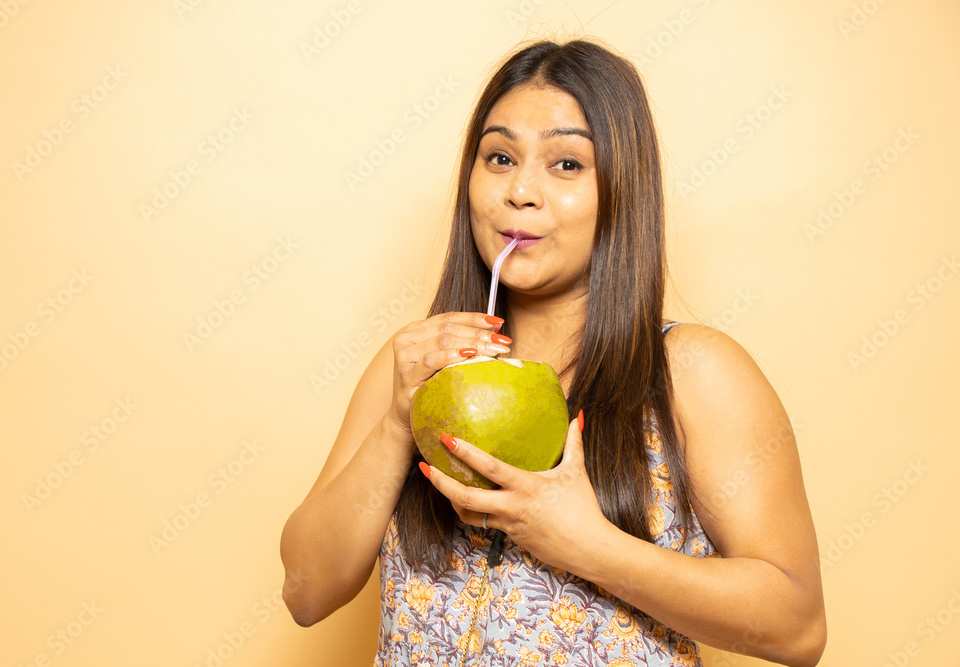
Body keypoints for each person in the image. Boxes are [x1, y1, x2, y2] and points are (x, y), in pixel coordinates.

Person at [280, 39, 826, 667]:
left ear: (622, 186)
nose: (521, 191)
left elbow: (797, 628)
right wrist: (400, 421)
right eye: (500, 157)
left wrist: (589, 545)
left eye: (566, 164)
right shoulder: (419, 364)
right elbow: (306, 592)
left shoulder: (693, 372)